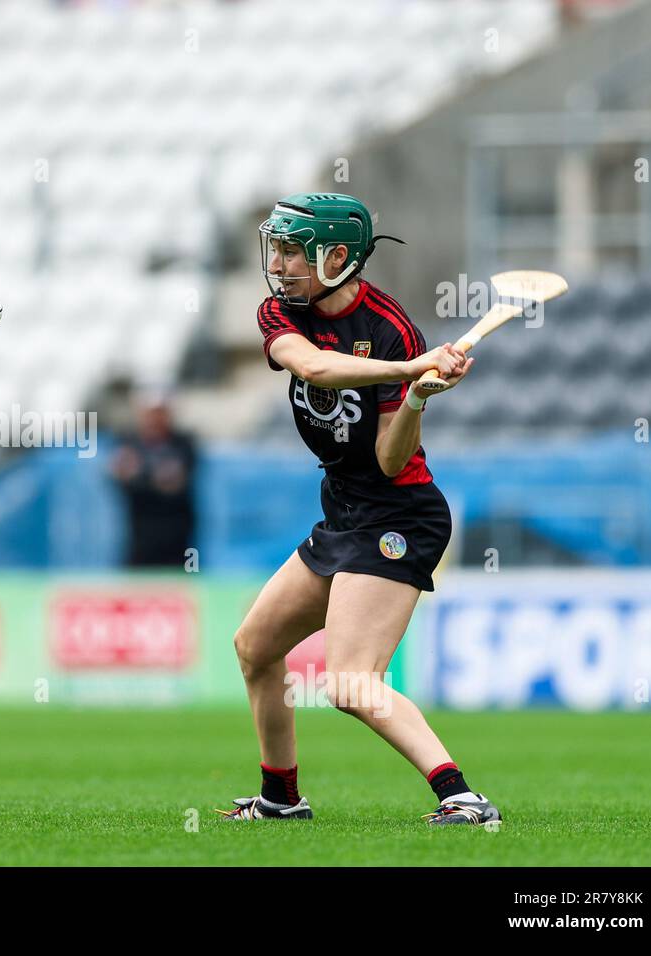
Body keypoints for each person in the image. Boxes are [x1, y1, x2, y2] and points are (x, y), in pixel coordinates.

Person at [220, 193, 499, 826]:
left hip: (399, 516)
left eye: (295, 252)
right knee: (256, 647)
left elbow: (394, 461)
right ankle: (281, 799)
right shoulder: (280, 313)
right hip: (344, 512)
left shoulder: (390, 328)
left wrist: (417, 398)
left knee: (348, 681)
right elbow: (315, 368)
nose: (281, 264)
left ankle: (463, 798)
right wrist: (412, 369)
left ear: (338, 257)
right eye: (279, 249)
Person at [109, 390, 197, 567]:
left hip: (178, 542)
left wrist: (140, 475)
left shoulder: (184, 443)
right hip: (139, 541)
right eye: (150, 413)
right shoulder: (127, 441)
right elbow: (119, 474)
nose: (154, 419)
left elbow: (172, 483)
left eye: (159, 413)